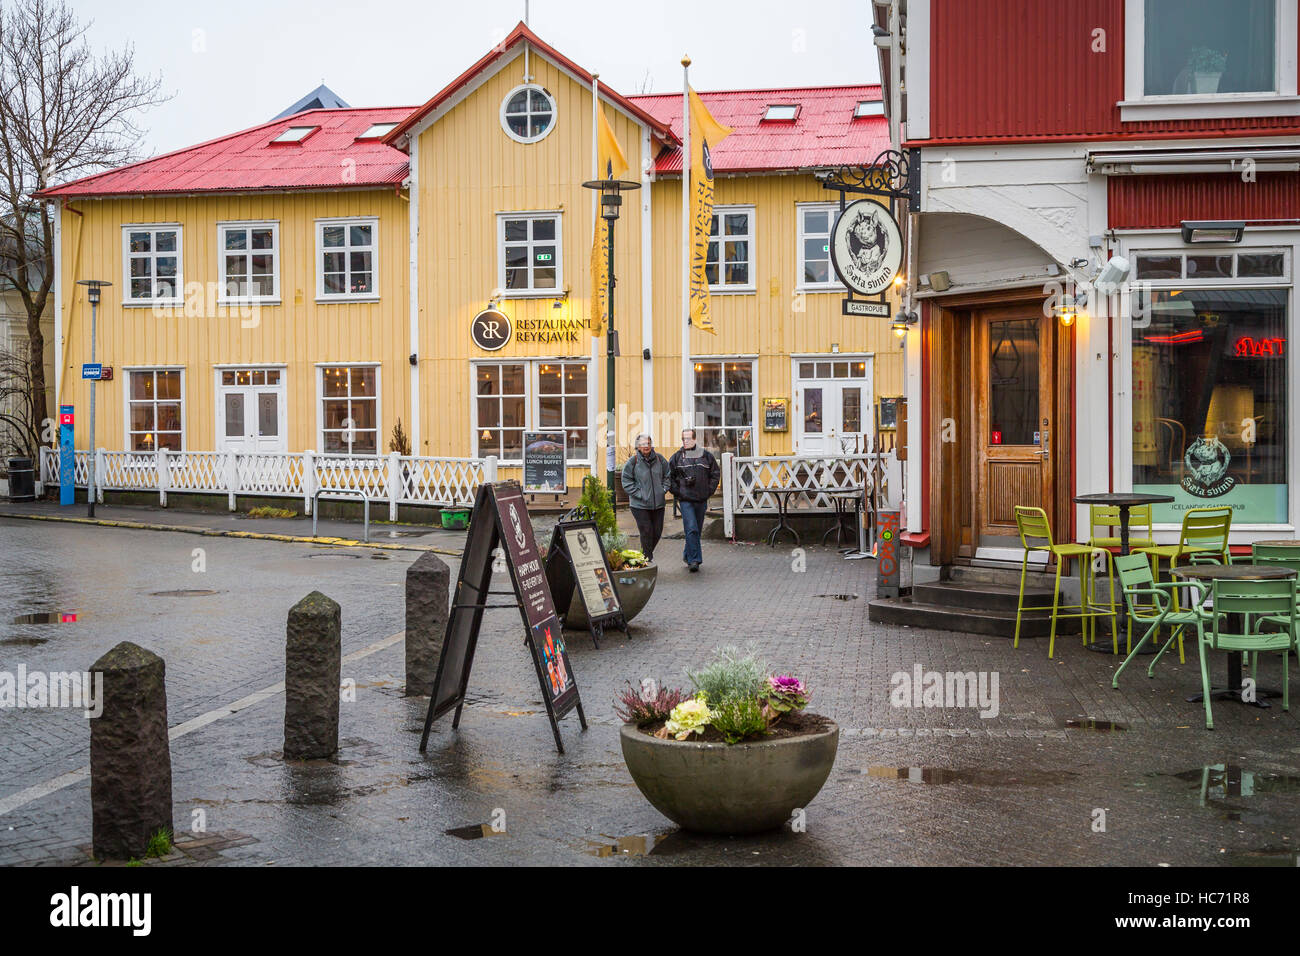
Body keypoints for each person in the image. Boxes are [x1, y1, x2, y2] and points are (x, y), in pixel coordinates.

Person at [669, 428, 720, 573]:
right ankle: (694, 560)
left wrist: (708, 490)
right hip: (685, 500)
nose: (685, 441)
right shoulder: (677, 458)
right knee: (691, 528)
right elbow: (669, 477)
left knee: (695, 530)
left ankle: (687, 554)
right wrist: (678, 492)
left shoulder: (706, 456)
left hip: (701, 499)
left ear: (694, 439)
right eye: (683, 439)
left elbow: (715, 474)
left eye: (688, 438)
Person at [620, 433, 670, 562]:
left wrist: (663, 489)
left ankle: (643, 556)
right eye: (643, 444)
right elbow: (626, 481)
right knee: (646, 531)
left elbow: (668, 475)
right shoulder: (633, 462)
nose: (646, 446)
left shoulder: (660, 459)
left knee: (657, 532)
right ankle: (648, 558)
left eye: (648, 443)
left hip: (658, 503)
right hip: (639, 505)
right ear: (638, 447)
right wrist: (640, 494)